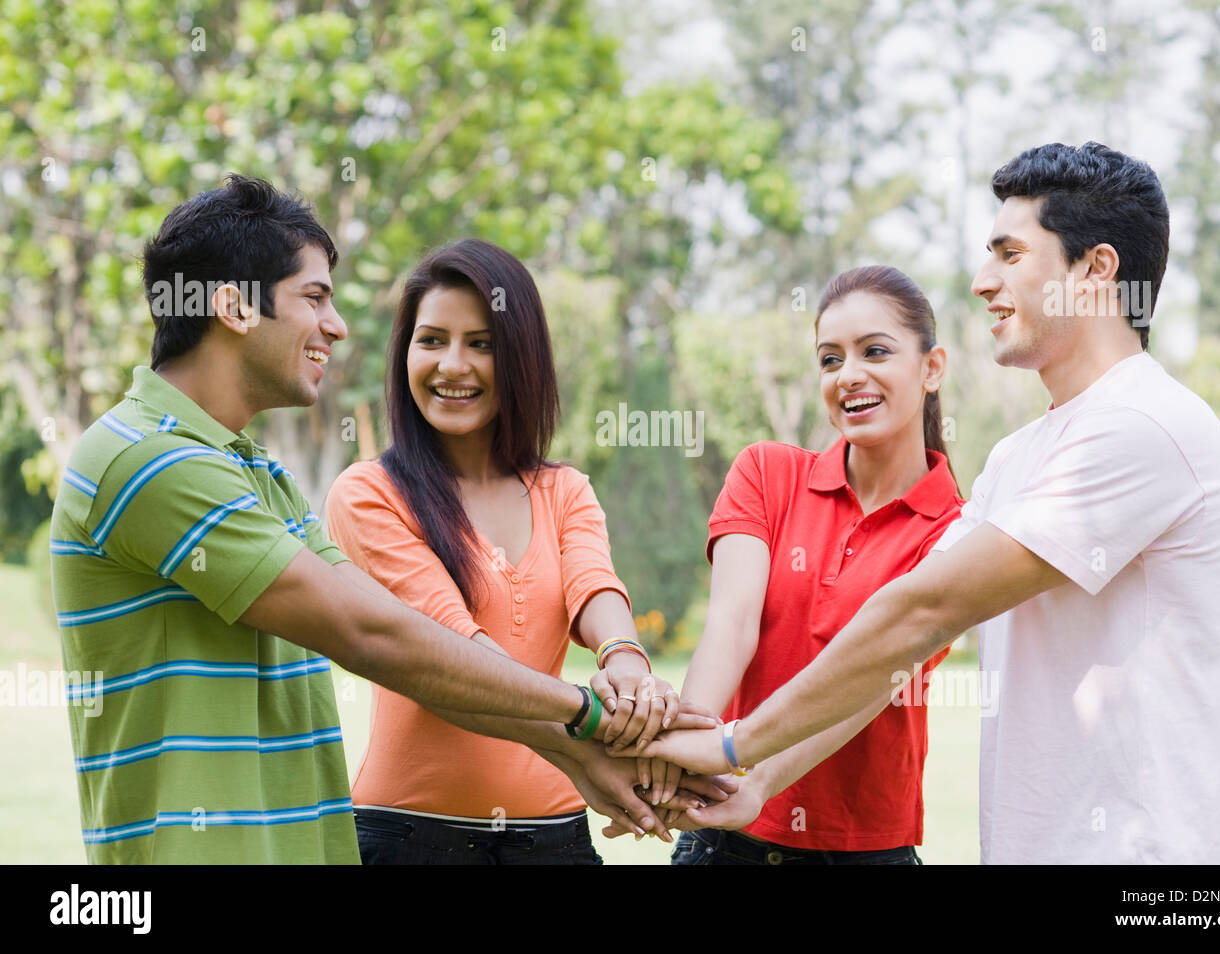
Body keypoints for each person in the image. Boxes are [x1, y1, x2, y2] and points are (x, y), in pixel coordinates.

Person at [633, 142, 1220, 865]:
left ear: (1094, 270)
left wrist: (732, 743)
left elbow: (919, 611)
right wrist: (760, 779)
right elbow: (896, 651)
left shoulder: (1146, 426)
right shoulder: (1015, 459)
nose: (981, 281)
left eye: (1010, 254)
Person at [48, 176, 691, 864]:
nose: (337, 325)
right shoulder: (146, 458)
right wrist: (586, 717)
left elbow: (415, 651)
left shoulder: (257, 476)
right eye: (315, 298)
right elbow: (376, 635)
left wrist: (576, 754)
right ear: (233, 307)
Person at [325, 238, 724, 864]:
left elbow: (594, 586)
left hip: (556, 840)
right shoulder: (369, 493)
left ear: (521, 359)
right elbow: (451, 655)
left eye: (481, 344)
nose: (452, 365)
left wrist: (630, 672)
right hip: (407, 839)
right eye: (431, 340)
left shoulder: (563, 490)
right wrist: (591, 724)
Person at [661, 265, 962, 865]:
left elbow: (872, 683)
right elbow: (731, 625)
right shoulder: (767, 472)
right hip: (725, 844)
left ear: (931, 368)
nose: (849, 376)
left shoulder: (956, 532)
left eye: (874, 351)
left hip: (861, 850)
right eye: (830, 359)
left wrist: (761, 781)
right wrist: (678, 758)